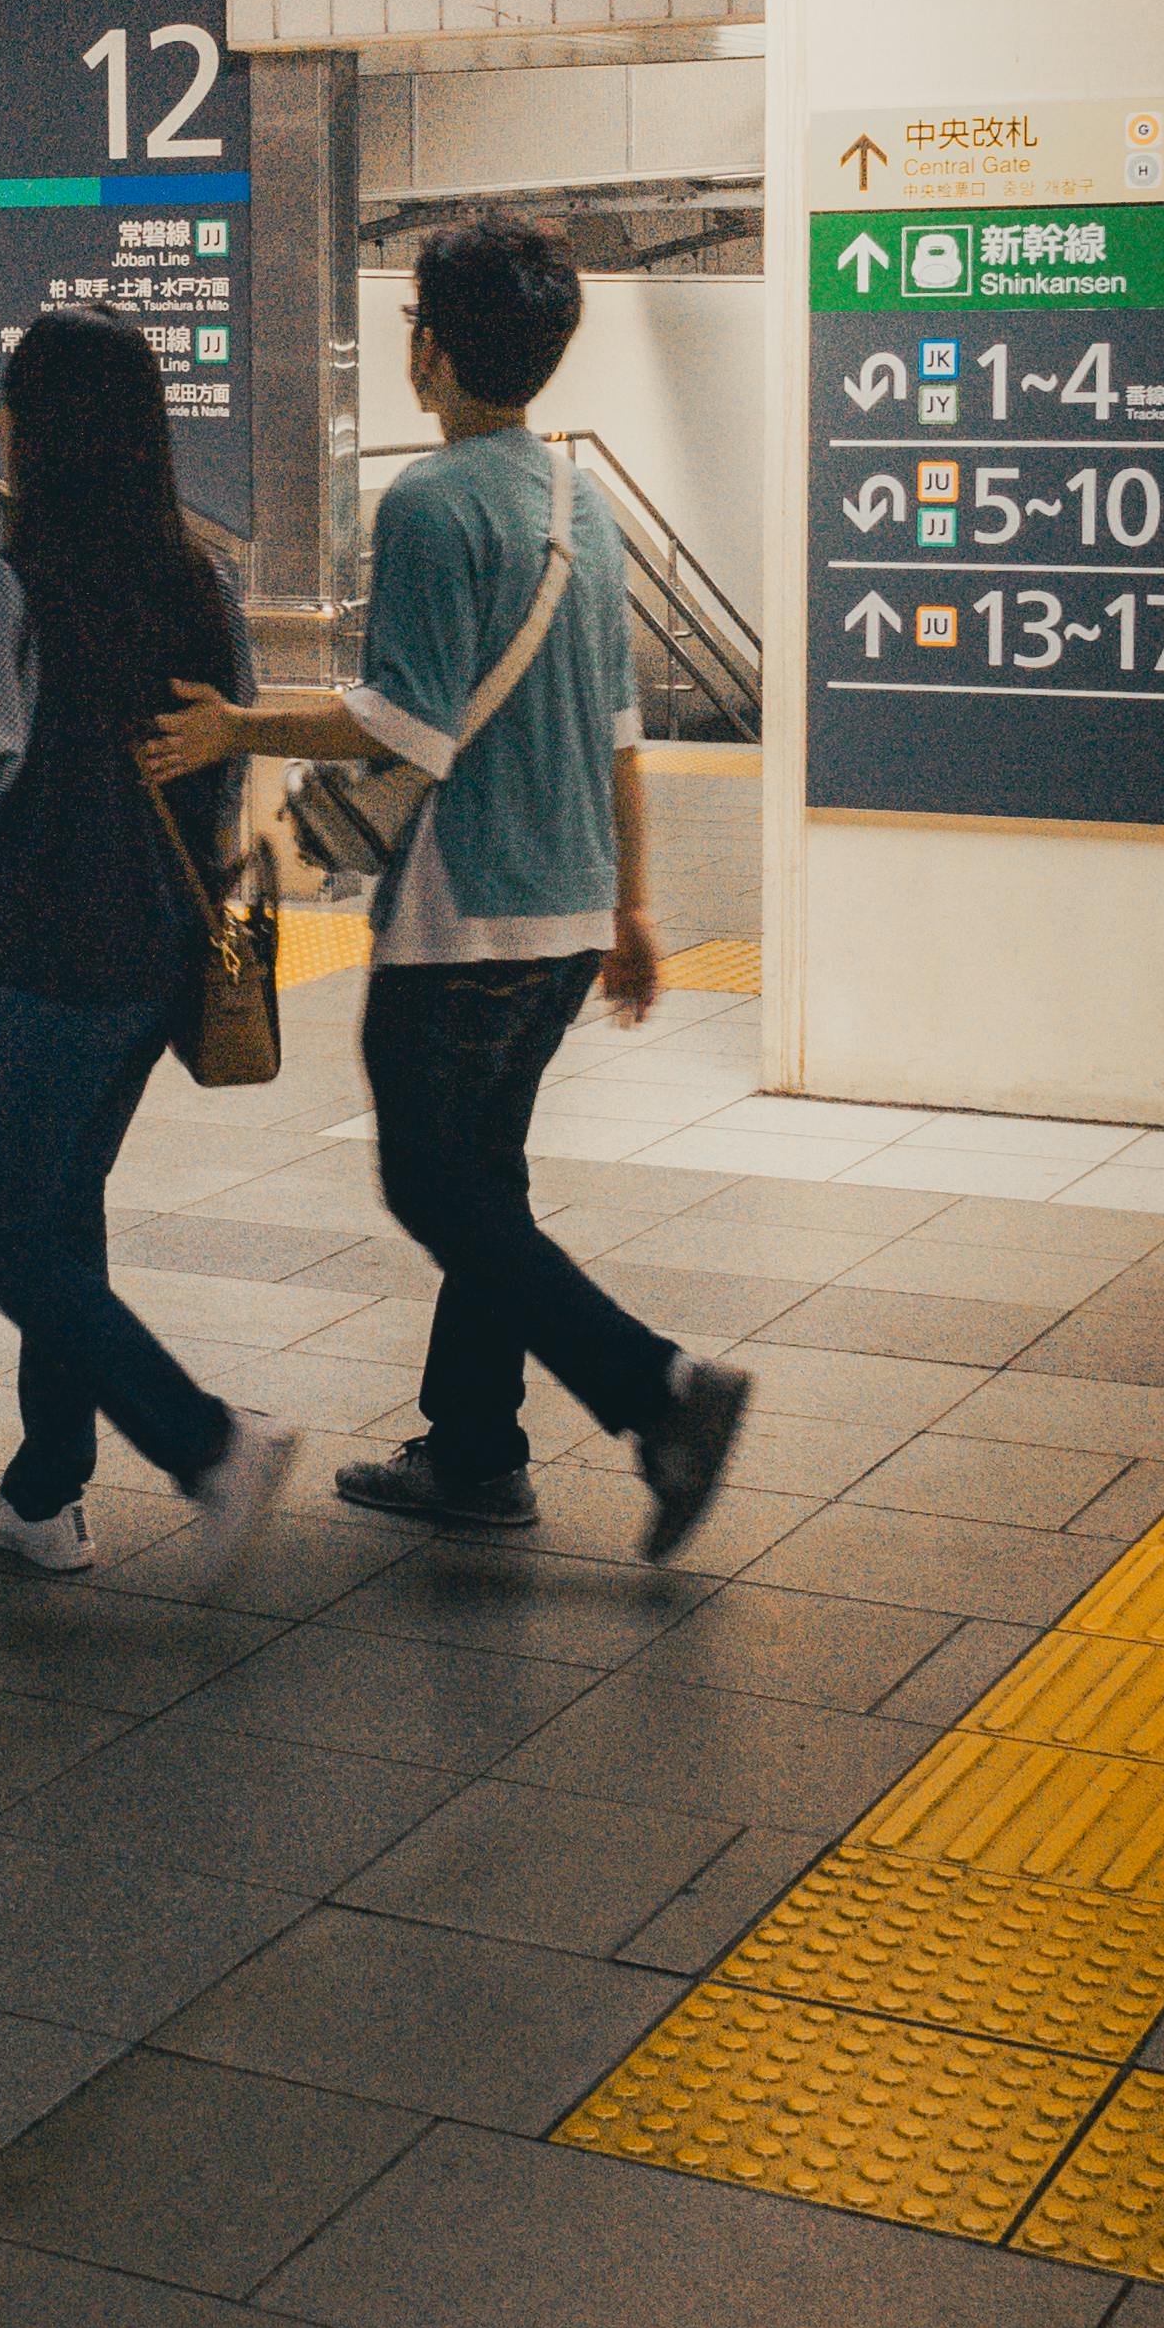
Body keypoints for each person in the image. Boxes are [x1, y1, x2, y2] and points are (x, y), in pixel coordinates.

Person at [140, 214, 750, 1561]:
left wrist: (239, 726)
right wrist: (633, 908)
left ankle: (659, 1391)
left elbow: (402, 727)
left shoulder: (426, 502)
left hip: (462, 913)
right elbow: (616, 731)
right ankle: (475, 1449)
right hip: (568, 903)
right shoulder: (576, 497)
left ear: (430, 345)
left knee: (433, 1183)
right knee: (488, 1179)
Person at [0, 306, 298, 1589]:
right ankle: (43, 1496)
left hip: (55, 946)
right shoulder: (199, 580)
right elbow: (225, 757)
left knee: (1, 1238)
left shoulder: (16, 581)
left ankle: (209, 1442)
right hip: (160, 947)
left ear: (32, 429)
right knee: (61, 1211)